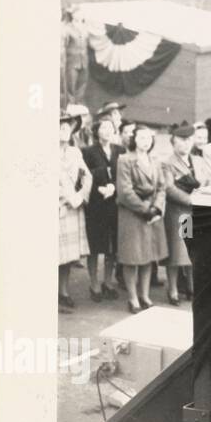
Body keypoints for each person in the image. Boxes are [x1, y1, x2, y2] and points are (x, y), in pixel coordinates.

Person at [116, 123, 168, 313]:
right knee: (132, 257)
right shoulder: (125, 159)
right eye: (141, 137)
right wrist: (145, 209)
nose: (145, 142)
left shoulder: (155, 160)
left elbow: (162, 187)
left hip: (152, 214)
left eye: (148, 138)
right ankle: (132, 298)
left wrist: (156, 208)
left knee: (148, 256)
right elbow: (125, 191)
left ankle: (145, 295)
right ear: (133, 139)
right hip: (132, 214)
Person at [161, 123, 210, 305]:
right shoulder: (167, 163)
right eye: (182, 140)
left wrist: (202, 194)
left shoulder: (198, 160)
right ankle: (173, 289)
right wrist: (191, 199)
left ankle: (190, 286)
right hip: (178, 211)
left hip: (193, 213)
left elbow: (206, 180)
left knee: (190, 250)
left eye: (189, 140)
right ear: (173, 142)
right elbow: (168, 188)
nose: (186, 144)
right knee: (176, 252)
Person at [82, 114, 123, 300]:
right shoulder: (88, 151)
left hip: (114, 203)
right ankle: (93, 283)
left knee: (112, 246)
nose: (107, 131)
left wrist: (113, 185)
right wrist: (99, 186)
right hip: (96, 204)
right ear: (97, 131)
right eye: (103, 127)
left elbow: (123, 173)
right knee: (95, 244)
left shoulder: (119, 150)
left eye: (110, 127)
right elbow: (84, 174)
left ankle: (108, 281)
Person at [58, 112, 92, 313]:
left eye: (67, 126)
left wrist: (80, 196)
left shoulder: (75, 152)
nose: (64, 129)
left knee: (68, 256)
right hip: (55, 208)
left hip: (73, 208)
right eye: (59, 126)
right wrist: (64, 198)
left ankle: (63, 292)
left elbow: (87, 176)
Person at [60, 6, 89, 107]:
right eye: (78, 13)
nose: (80, 15)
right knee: (71, 88)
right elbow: (62, 46)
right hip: (72, 63)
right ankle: (71, 108)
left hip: (84, 62)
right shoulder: (67, 28)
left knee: (82, 87)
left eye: (81, 13)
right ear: (73, 15)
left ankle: (79, 108)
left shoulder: (86, 28)